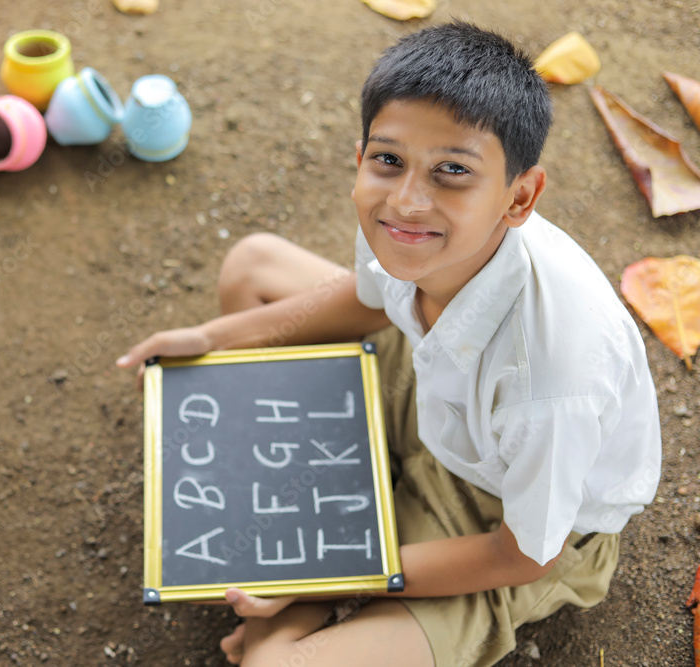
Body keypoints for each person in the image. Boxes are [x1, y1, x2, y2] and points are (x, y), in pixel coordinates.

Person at [117, 21, 662, 667]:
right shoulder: (403, 231)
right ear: (361, 157)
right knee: (252, 266)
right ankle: (336, 525)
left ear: (519, 197)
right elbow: (371, 296)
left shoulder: (551, 374)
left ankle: (309, 591)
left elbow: (523, 553)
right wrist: (209, 336)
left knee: (270, 658)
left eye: (452, 171)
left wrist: (320, 573)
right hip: (428, 384)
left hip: (496, 516)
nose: (407, 200)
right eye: (388, 160)